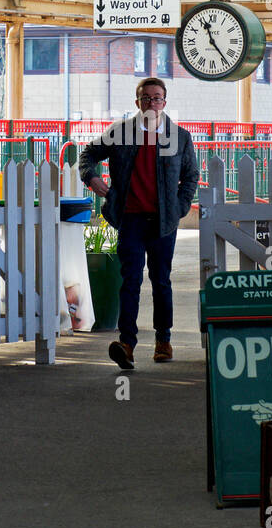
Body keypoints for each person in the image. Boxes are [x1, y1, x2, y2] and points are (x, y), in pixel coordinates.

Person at [79, 78, 199, 369]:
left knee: (161, 282)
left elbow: (191, 177)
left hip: (163, 223)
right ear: (137, 103)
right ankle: (127, 344)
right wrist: (92, 178)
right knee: (130, 281)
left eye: (157, 98)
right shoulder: (120, 134)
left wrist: (179, 208)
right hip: (130, 219)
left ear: (165, 103)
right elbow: (87, 155)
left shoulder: (179, 137)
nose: (151, 103)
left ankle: (163, 340)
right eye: (146, 98)